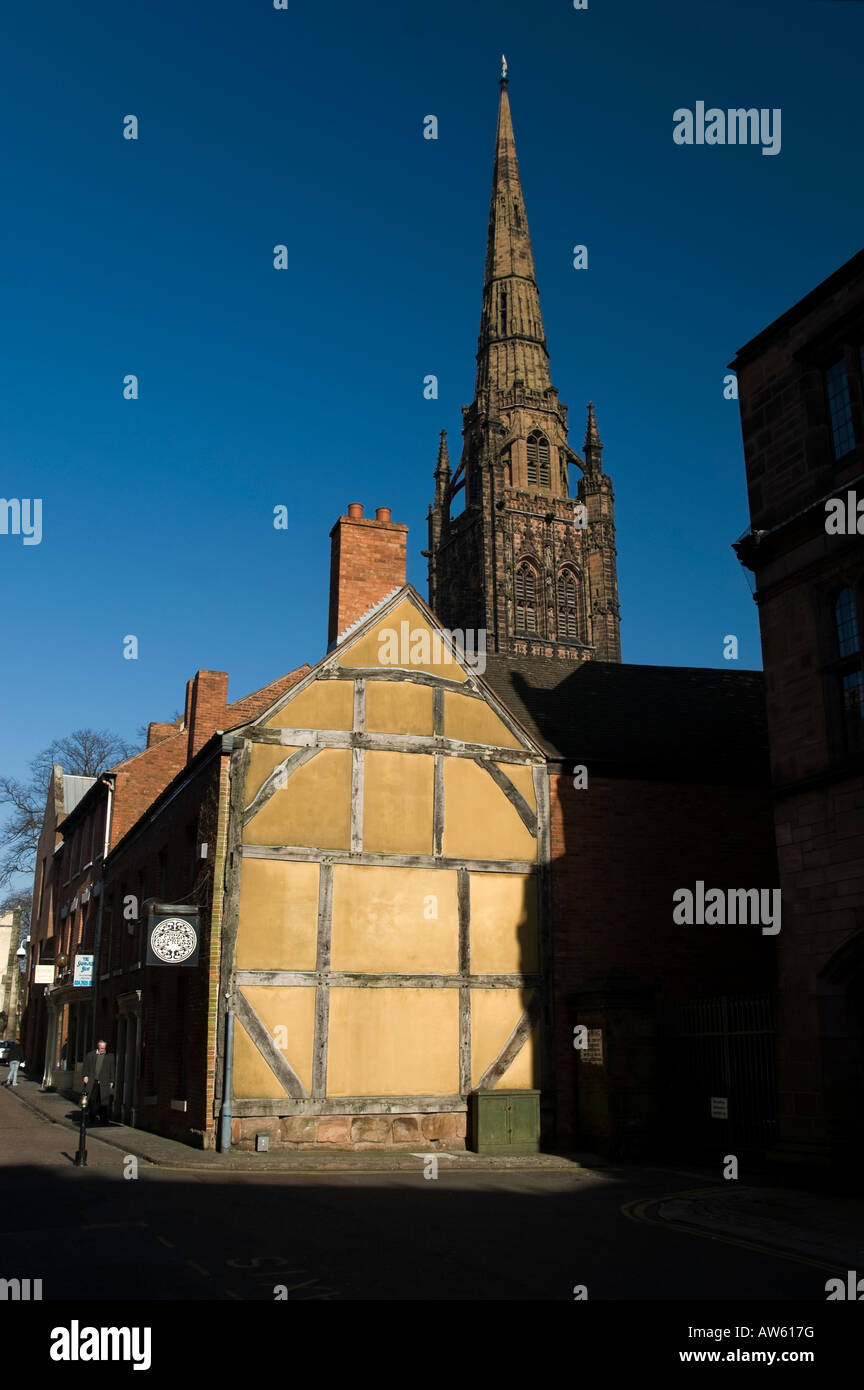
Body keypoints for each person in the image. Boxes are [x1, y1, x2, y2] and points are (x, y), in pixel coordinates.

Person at [81, 1039, 115, 1124]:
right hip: (93, 1081)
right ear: (98, 1046)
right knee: (92, 1100)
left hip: (104, 1081)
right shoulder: (90, 1055)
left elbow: (112, 1069)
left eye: (104, 1048)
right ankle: (91, 1117)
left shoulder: (110, 1056)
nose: (103, 1050)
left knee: (104, 1100)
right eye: (101, 1048)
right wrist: (85, 1076)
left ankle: (104, 1119)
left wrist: (112, 1081)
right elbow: (86, 1067)